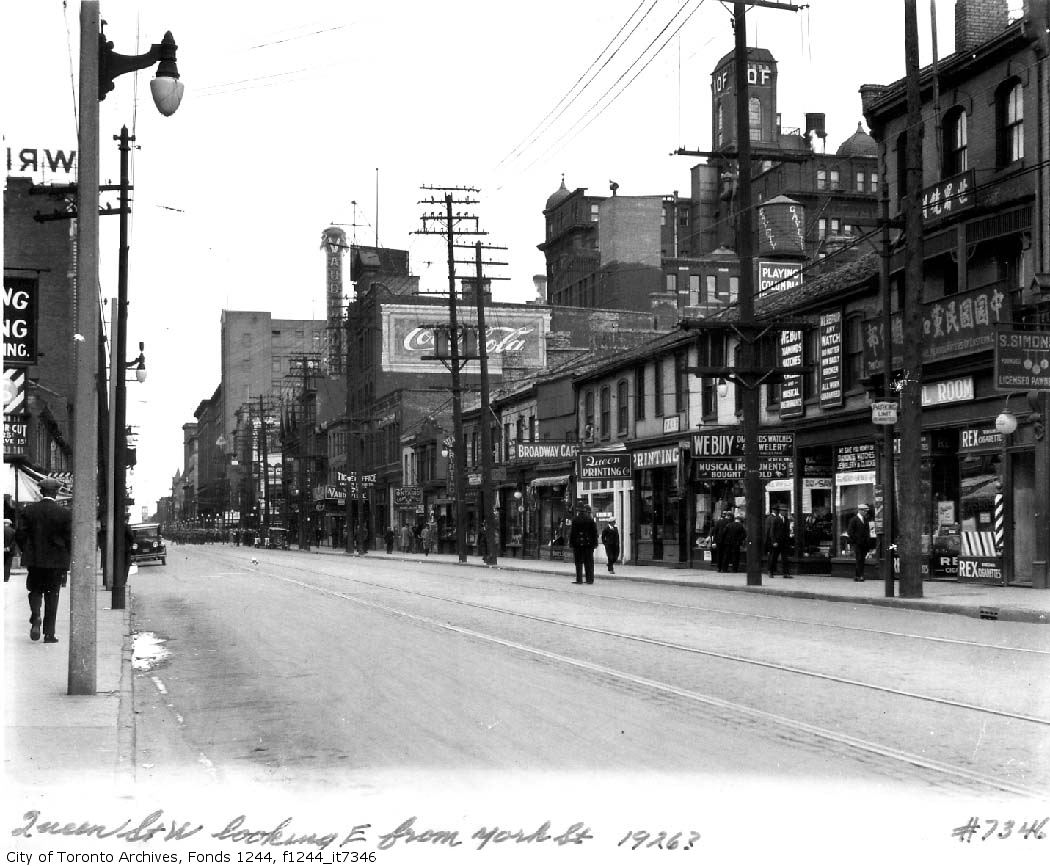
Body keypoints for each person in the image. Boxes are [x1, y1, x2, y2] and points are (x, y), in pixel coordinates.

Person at [15, 478, 71, 643]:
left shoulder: (29, 511)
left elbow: (20, 534)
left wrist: (27, 550)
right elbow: (69, 539)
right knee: (52, 594)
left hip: (35, 560)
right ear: (56, 492)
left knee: (35, 590)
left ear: (41, 492)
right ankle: (49, 634)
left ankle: (36, 615)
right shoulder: (65, 513)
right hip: (56, 562)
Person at [568, 503, 599, 584]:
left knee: (578, 563)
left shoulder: (575, 520)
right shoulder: (590, 520)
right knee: (589, 562)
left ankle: (579, 579)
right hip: (588, 545)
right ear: (585, 511)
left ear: (578, 511)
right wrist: (595, 544)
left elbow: (573, 533)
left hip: (578, 544)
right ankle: (590, 579)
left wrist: (571, 543)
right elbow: (594, 533)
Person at [847, 503, 874, 581]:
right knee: (859, 559)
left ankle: (861, 575)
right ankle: (858, 576)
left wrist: (867, 541)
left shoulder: (865, 520)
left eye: (866, 511)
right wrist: (856, 541)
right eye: (865, 511)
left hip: (864, 544)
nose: (866, 512)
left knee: (862, 560)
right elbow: (850, 532)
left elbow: (867, 532)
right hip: (857, 544)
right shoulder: (854, 520)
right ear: (860, 511)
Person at [765, 504, 791, 579]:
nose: (785, 512)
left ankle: (786, 573)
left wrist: (787, 540)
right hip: (776, 542)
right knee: (774, 557)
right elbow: (772, 531)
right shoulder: (775, 519)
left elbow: (787, 531)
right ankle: (770, 571)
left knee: (785, 558)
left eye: (786, 511)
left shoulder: (786, 519)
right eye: (784, 511)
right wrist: (773, 541)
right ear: (780, 511)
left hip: (784, 542)